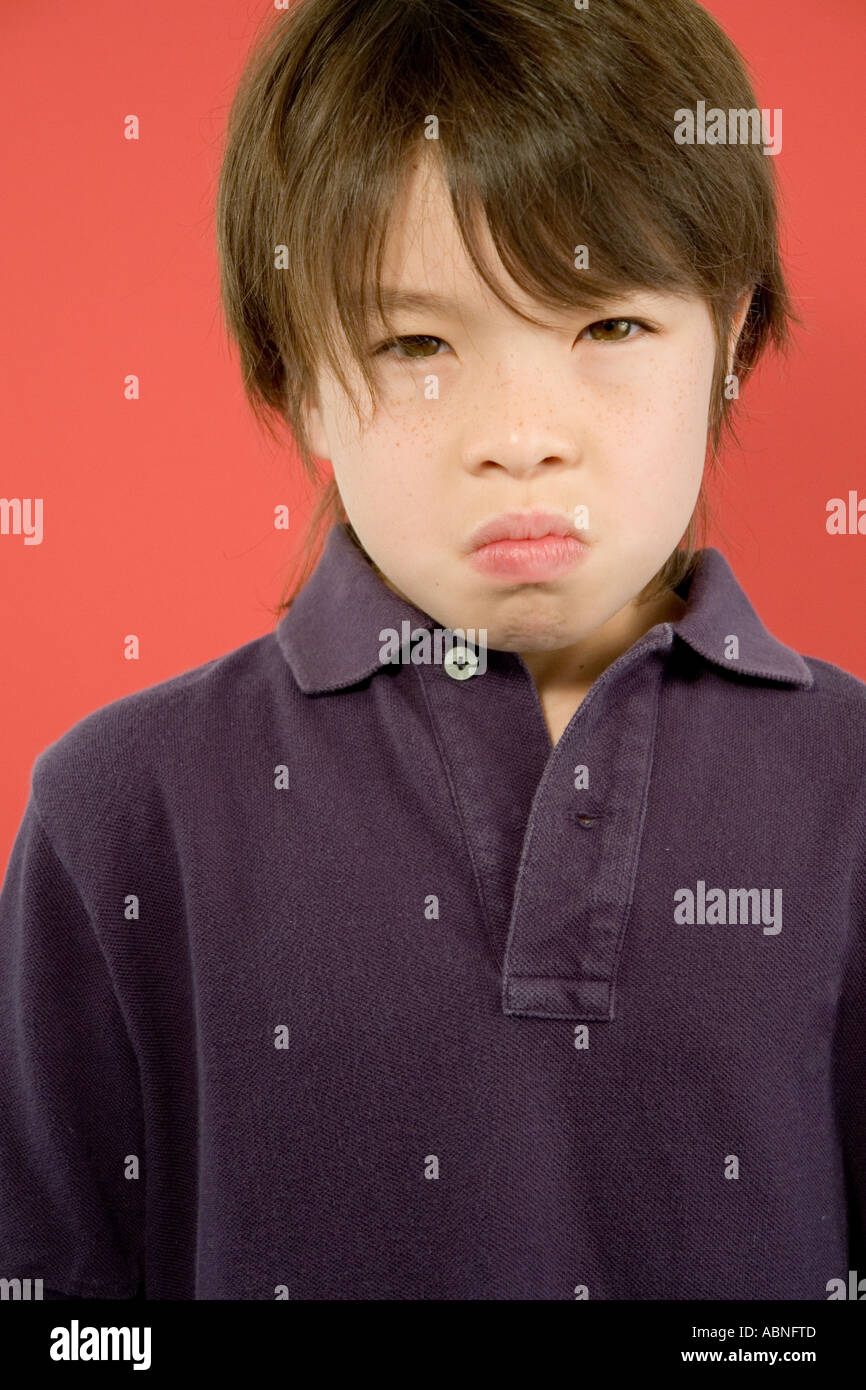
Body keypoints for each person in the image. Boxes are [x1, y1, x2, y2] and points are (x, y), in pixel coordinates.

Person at [1, 0, 864, 1301]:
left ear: (731, 341)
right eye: (414, 344)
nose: (519, 433)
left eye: (608, 327)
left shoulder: (847, 785)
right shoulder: (120, 812)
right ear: (294, 371)